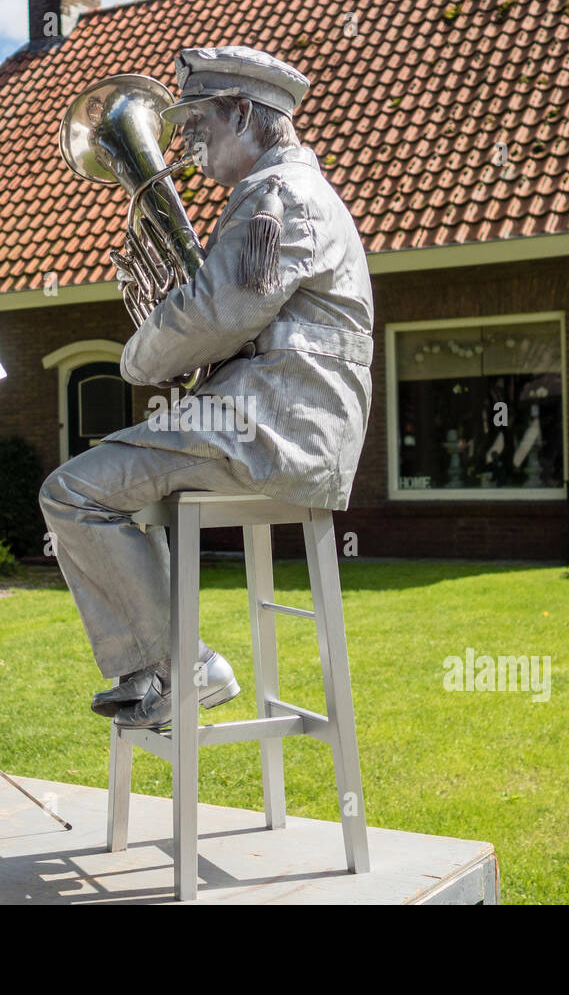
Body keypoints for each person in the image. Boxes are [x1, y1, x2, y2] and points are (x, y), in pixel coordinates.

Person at [39, 46, 374, 729]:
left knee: (71, 490)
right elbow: (223, 314)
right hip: (270, 420)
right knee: (107, 486)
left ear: (245, 114)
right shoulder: (285, 193)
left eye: (200, 124)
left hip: (276, 430)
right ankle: (169, 662)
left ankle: (181, 666)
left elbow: (213, 315)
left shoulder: (278, 197)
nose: (186, 142)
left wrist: (135, 355)